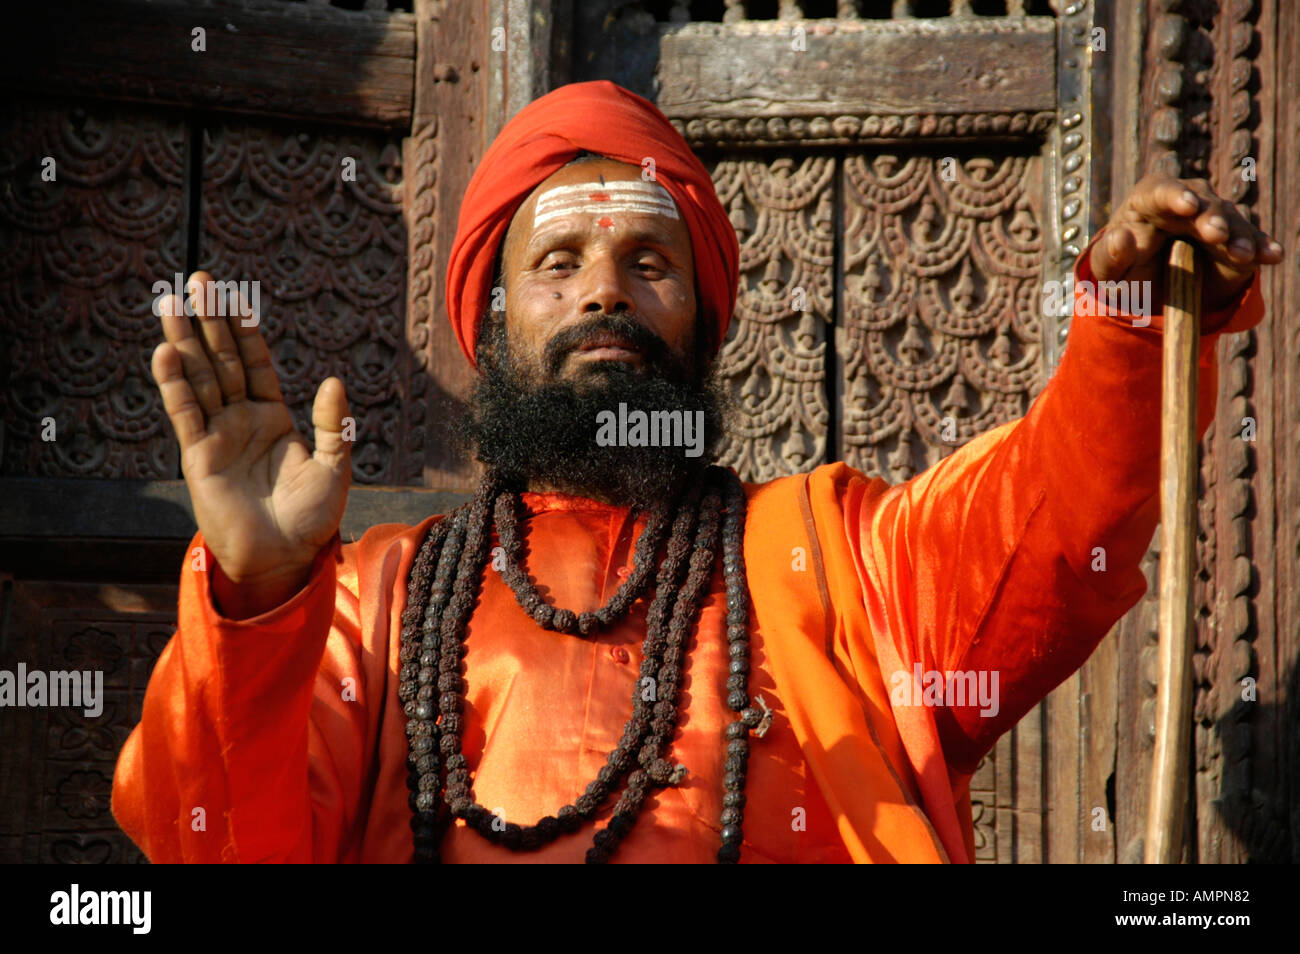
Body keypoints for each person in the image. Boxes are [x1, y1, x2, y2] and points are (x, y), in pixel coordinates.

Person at [110, 80, 1281, 863]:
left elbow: (1055, 517)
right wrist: (258, 604)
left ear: (705, 314)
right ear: (495, 322)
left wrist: (1128, 325)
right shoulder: (371, 601)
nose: (604, 290)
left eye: (646, 260)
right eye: (558, 261)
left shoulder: (839, 559)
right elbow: (208, 842)